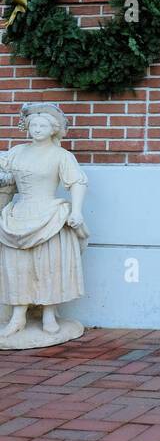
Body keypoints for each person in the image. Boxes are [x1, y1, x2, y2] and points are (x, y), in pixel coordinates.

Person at [0, 103, 88, 338]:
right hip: (18, 214)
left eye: (42, 125)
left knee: (48, 265)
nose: (37, 129)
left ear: (53, 129)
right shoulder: (17, 152)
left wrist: (76, 211)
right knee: (17, 266)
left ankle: (49, 314)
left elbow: (77, 182)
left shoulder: (61, 155)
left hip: (49, 214)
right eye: (33, 125)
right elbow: (4, 172)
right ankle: (18, 315)